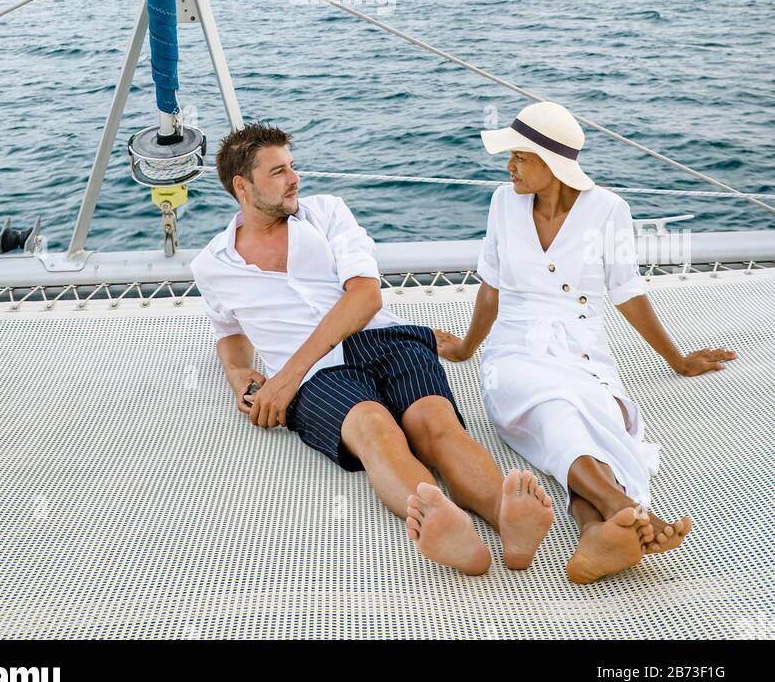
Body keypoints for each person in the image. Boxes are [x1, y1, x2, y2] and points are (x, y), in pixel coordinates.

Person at [190, 122, 554, 577]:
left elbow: (365, 296)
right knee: (374, 428)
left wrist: (283, 380)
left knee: (435, 425)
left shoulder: (326, 213)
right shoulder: (213, 264)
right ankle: (451, 527)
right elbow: (227, 331)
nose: (294, 178)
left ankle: (508, 521)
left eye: (293, 166)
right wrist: (240, 376)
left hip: (378, 338)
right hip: (319, 377)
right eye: (279, 171)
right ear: (242, 187)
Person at [436, 101, 737, 583]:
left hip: (584, 354)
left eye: (519, 157)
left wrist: (678, 359)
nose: (509, 166)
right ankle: (624, 506)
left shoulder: (608, 210)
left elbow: (627, 292)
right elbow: (490, 291)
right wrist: (467, 350)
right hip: (515, 354)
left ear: (551, 164)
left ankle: (596, 535)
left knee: (600, 419)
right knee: (560, 413)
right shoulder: (502, 202)